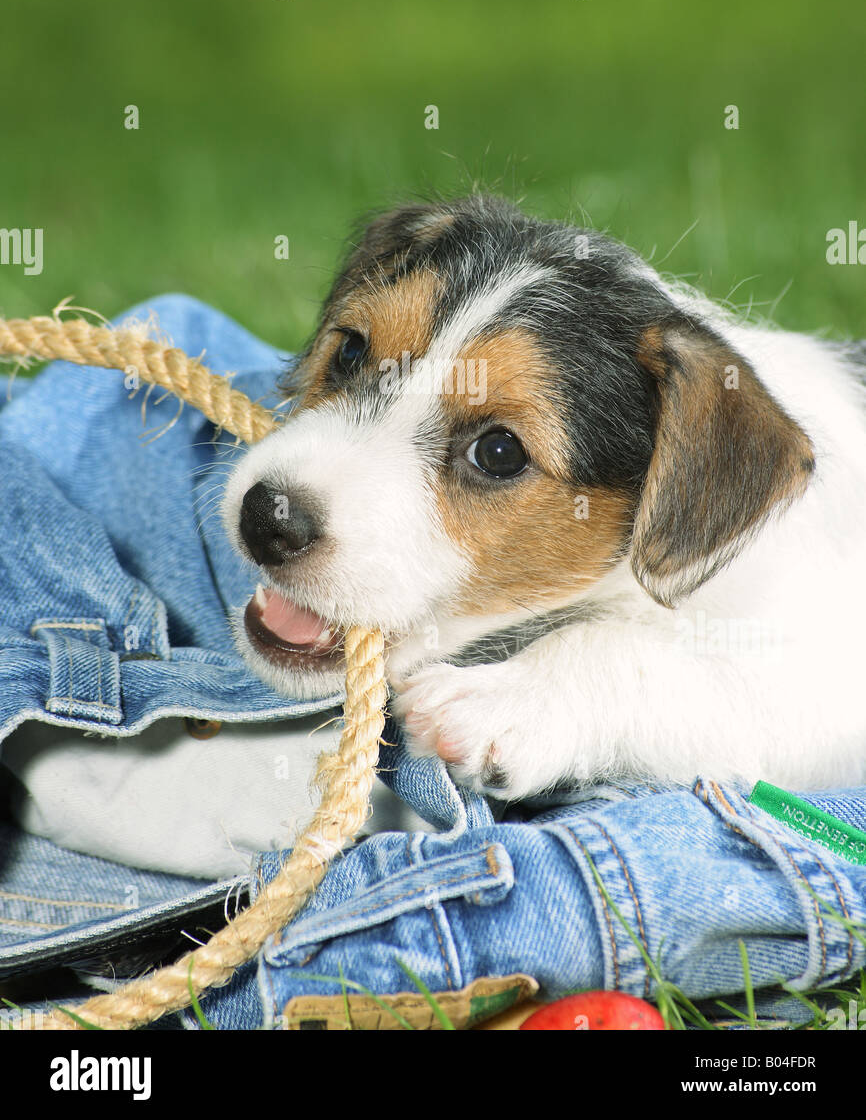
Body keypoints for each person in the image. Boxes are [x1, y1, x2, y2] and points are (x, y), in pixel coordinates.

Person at [1, 295, 863, 1029]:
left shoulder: (752, 516)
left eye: (495, 452)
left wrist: (579, 684)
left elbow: (816, 719)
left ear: (681, 504)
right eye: (353, 356)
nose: (288, 503)